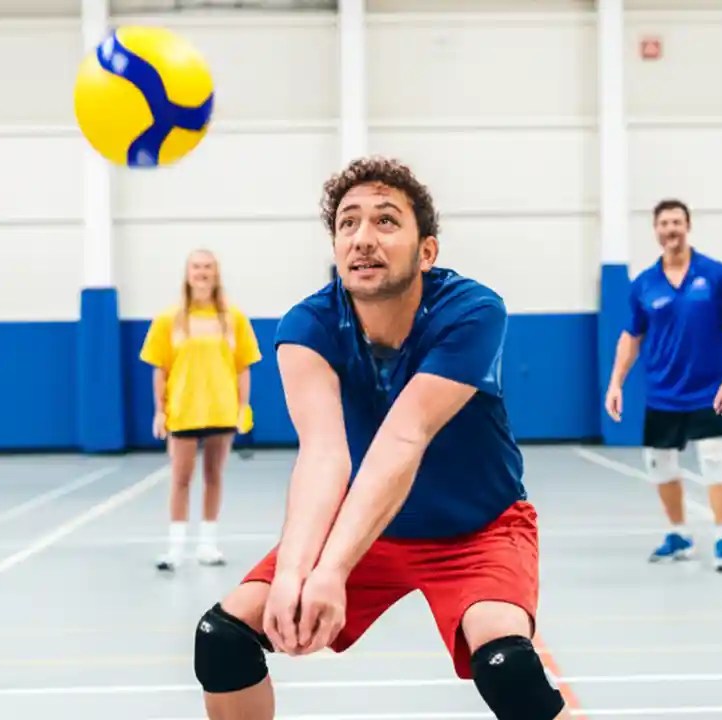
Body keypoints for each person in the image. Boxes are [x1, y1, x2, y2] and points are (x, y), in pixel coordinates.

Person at [190, 156, 570, 720]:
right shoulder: (307, 326)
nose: (363, 238)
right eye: (348, 223)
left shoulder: (471, 311)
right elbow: (322, 455)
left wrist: (333, 571)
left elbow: (404, 438)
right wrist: (296, 573)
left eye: (386, 221)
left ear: (427, 251)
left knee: (507, 666)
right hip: (366, 526)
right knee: (222, 637)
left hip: (478, 528)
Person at [605, 199, 722, 572]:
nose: (671, 229)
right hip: (663, 393)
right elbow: (631, 335)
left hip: (709, 391)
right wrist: (616, 383)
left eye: (677, 222)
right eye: (664, 223)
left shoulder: (715, 275)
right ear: (656, 230)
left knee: (716, 463)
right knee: (660, 466)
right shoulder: (644, 284)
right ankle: (679, 532)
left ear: (688, 226)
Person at [140, 248, 260, 570]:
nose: (202, 272)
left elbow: (243, 367)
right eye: (196, 267)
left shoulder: (233, 319)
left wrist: (242, 407)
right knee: (180, 478)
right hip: (182, 410)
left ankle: (208, 544)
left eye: (208, 267)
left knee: (213, 476)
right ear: (188, 273)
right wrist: (160, 411)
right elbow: (160, 369)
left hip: (221, 409)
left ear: (216, 273)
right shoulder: (170, 319)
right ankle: (176, 547)